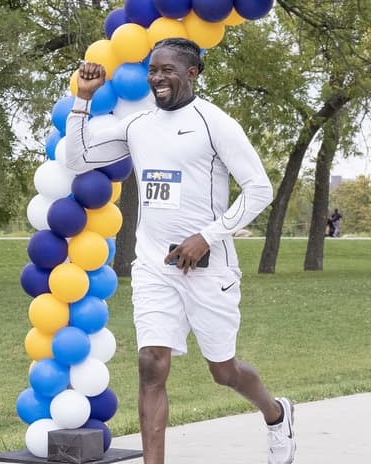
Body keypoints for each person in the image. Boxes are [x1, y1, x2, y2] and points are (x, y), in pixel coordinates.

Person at [64, 38, 295, 464]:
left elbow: (259, 189)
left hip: (209, 268)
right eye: (153, 70)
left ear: (193, 73)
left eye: (167, 70)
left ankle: (277, 414)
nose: (157, 78)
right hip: (154, 265)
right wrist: (82, 99)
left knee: (223, 371)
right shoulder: (139, 125)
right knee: (151, 363)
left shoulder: (215, 123)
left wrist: (208, 235)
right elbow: (78, 160)